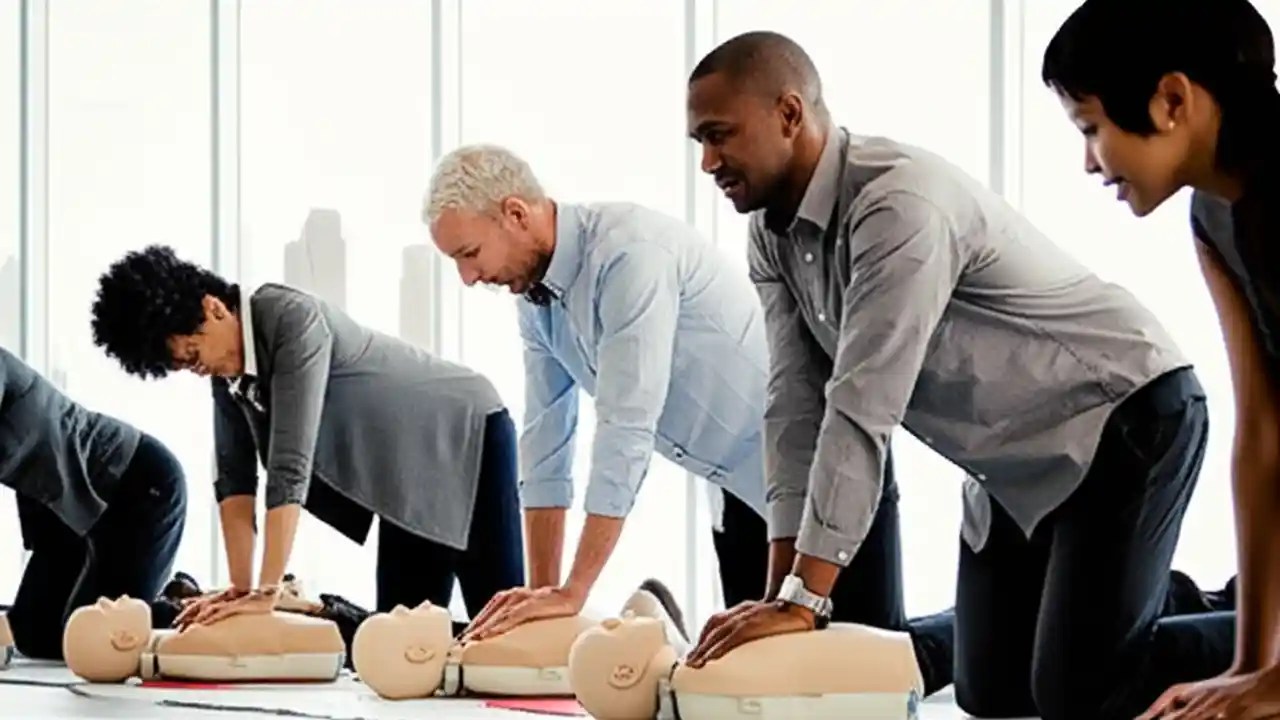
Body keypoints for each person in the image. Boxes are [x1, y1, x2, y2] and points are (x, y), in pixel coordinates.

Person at [683, 30, 1237, 720]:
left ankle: (1252, 631)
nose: (708, 161)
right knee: (991, 690)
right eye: (698, 142)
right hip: (1010, 462)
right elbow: (795, 408)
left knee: (1082, 694)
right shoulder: (771, 235)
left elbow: (862, 406)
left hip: (1120, 415)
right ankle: (1155, 604)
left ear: (789, 114)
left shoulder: (895, 204)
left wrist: (806, 599)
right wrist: (777, 597)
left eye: (719, 135)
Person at [1042, 1, 1280, 717]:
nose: (1088, 162)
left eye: (1091, 128)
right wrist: (1251, 667)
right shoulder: (1214, 216)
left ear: (1172, 100)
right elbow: (1263, 436)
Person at [89, 245, 524, 632]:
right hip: (401, 475)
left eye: (192, 353)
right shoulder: (227, 374)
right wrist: (241, 592)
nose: (195, 368)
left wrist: (268, 593)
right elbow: (235, 482)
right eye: (183, 365)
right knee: (400, 644)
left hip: (465, 432)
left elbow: (288, 467)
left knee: (503, 627)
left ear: (214, 308)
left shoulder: (291, 319)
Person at [0, 346, 186, 660]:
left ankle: (189, 608)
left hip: (138, 483)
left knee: (93, 638)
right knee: (34, 637)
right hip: (64, 509)